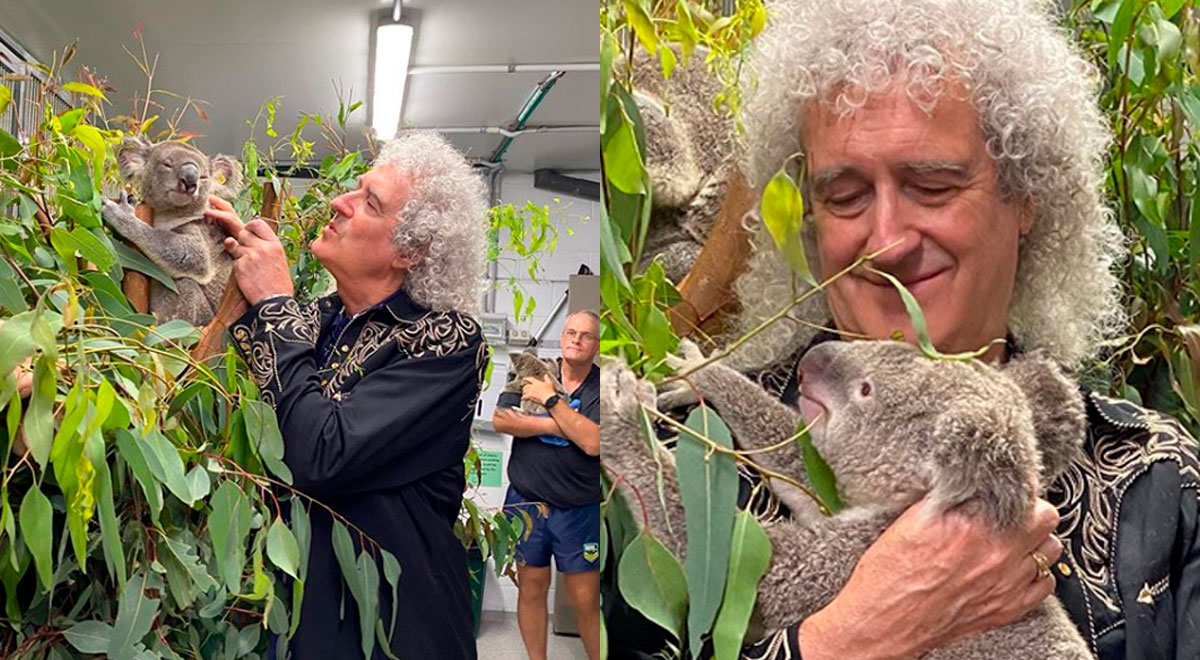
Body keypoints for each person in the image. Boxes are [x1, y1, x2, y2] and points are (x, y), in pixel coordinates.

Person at [606, 1, 1200, 659]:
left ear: (1029, 195)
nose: (884, 243)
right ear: (806, 216)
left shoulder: (1157, 483)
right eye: (845, 195)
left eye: (933, 186)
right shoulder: (686, 449)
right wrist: (856, 634)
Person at [206, 131, 489, 659]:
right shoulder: (314, 320)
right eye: (356, 189)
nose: (340, 201)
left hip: (392, 625)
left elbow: (319, 455)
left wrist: (272, 302)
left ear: (411, 249)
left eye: (369, 202)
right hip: (287, 610)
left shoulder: (444, 343)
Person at [492, 309, 603, 660]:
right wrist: (565, 426)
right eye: (571, 332)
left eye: (585, 335)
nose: (576, 339)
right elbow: (501, 420)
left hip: (578, 508)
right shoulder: (530, 371)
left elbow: (595, 443)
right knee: (531, 587)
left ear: (596, 345)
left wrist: (550, 403)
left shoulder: (603, 387)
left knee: (585, 599)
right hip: (526, 503)